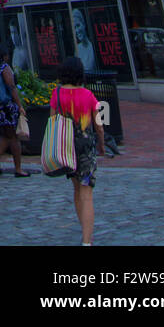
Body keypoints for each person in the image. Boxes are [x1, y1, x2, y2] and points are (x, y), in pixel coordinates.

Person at [50, 56, 105, 246]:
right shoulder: (88, 95)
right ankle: (86, 240)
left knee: (76, 189)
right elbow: (99, 126)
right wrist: (102, 144)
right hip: (86, 149)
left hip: (67, 149)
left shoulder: (56, 95)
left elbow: (53, 122)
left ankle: (84, 226)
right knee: (87, 192)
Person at [0, 43, 29, 177]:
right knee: (14, 137)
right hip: (6, 105)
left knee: (5, 134)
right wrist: (19, 105)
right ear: (3, 56)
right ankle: (18, 168)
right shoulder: (4, 68)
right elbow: (12, 87)